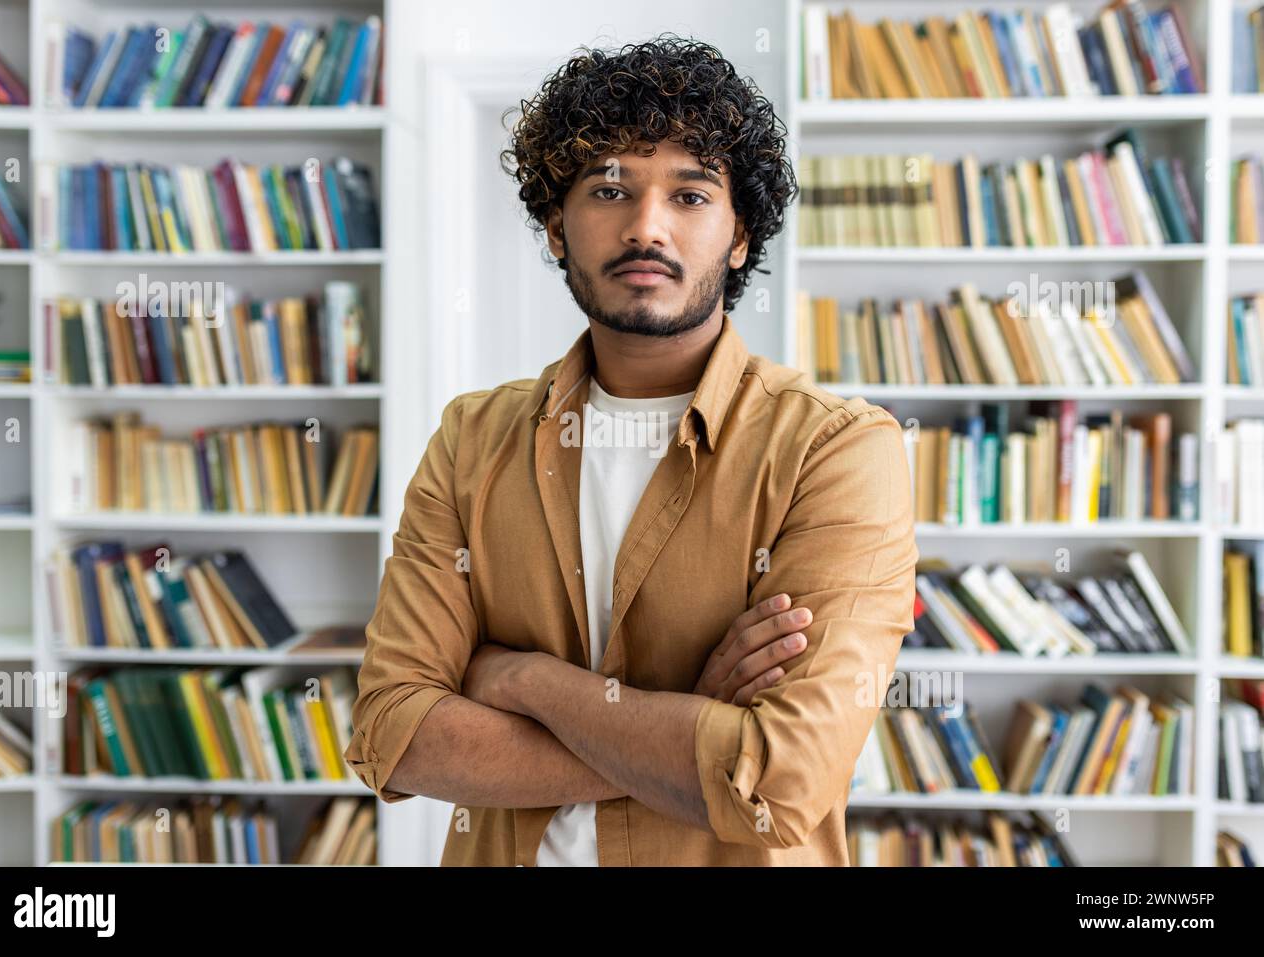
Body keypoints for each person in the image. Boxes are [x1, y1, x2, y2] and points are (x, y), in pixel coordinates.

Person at [344, 35, 918, 865]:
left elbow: (781, 782)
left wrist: (521, 681)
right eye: (609, 189)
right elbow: (394, 734)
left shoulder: (835, 451)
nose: (646, 227)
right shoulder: (471, 440)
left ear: (740, 236)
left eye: (690, 196)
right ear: (556, 229)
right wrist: (688, 718)